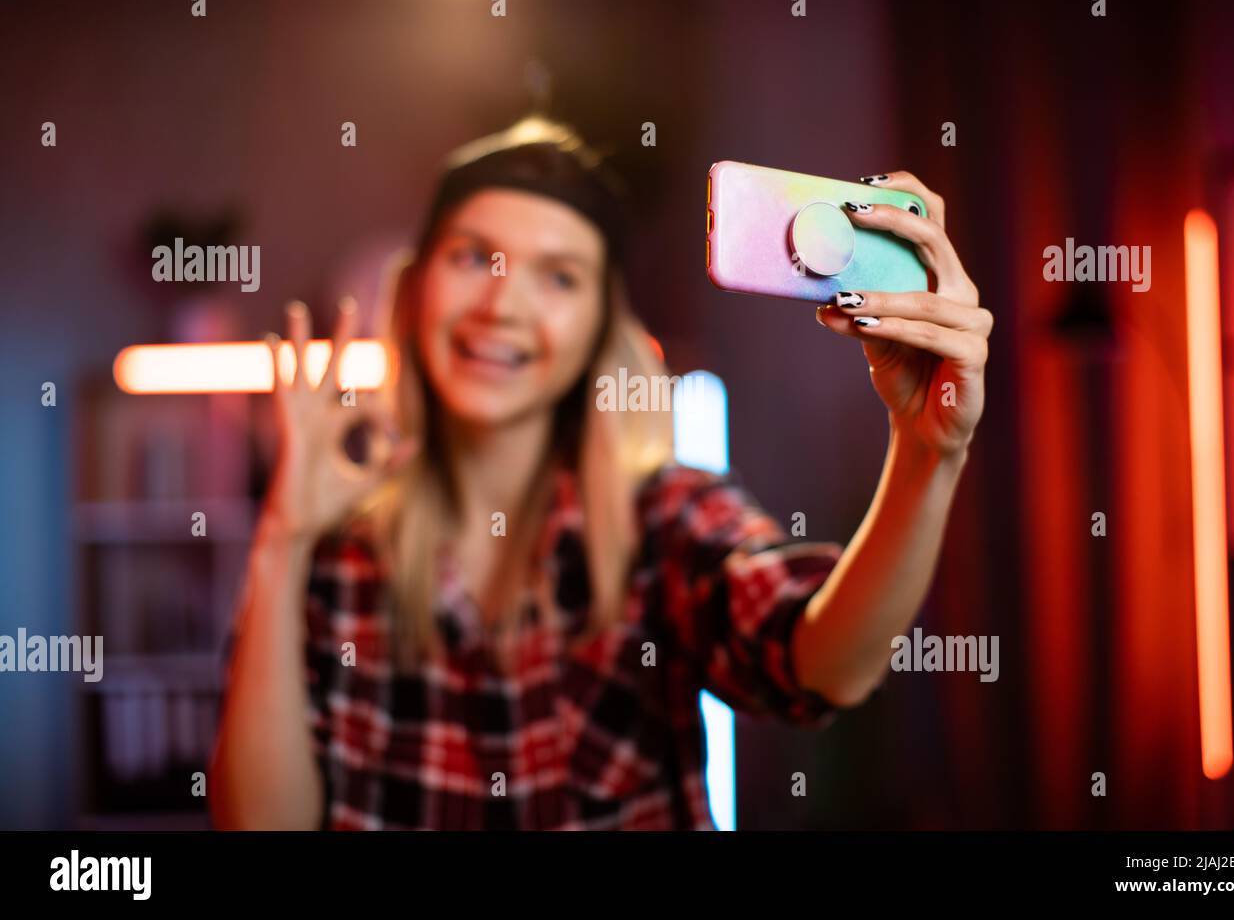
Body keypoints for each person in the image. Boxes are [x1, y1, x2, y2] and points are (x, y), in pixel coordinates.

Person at [208, 114, 992, 830]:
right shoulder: (336, 548)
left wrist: (926, 451)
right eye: (475, 256)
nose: (502, 305)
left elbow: (821, 664)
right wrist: (282, 539)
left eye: (558, 276)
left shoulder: (666, 515)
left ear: (596, 329)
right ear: (415, 293)